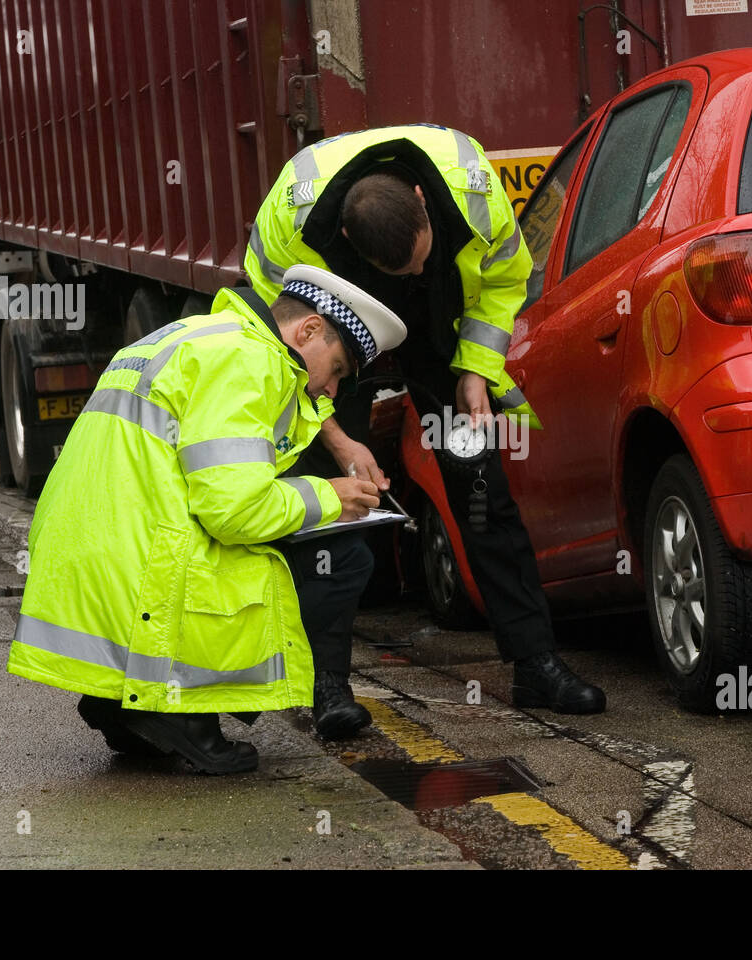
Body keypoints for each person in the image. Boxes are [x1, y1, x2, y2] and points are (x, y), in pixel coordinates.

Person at [246, 124, 607, 739]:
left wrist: (472, 371)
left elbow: (503, 280)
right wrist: (335, 435)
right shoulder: (291, 225)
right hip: (332, 344)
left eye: (423, 254)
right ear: (351, 246)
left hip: (440, 325)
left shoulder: (472, 188)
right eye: (401, 267)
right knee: (333, 506)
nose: (415, 270)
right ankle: (326, 686)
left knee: (482, 493)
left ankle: (535, 664)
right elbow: (279, 347)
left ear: (421, 198)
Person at [6, 266, 406, 774]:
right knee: (316, 561)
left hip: (91, 549)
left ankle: (122, 700)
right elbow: (235, 512)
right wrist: (330, 496)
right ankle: (187, 712)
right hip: (139, 561)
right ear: (307, 331)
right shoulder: (249, 361)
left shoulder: (203, 335)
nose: (329, 389)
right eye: (338, 368)